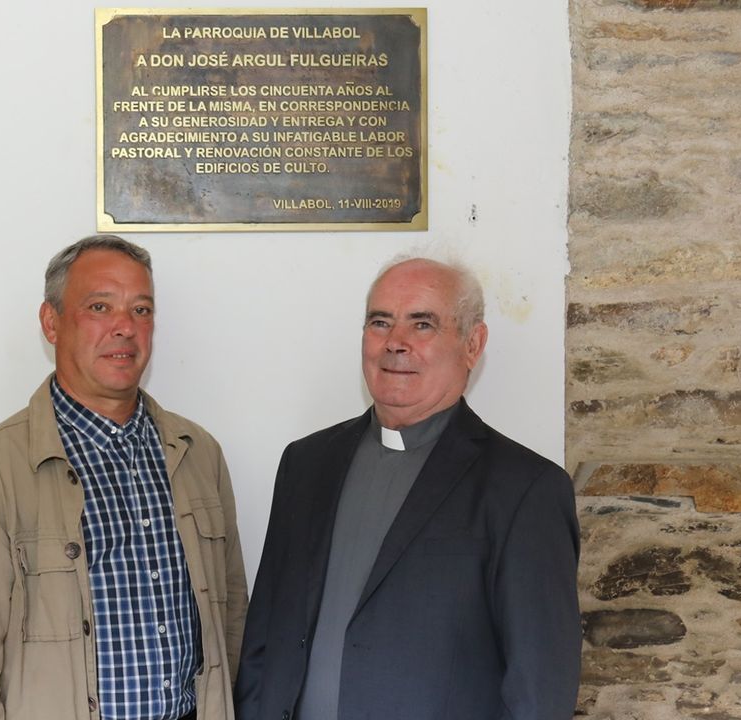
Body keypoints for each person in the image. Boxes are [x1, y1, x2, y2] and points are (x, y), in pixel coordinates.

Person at [234, 254, 581, 720]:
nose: (395, 343)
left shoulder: (526, 490)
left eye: (422, 325)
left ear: (472, 344)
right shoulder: (306, 463)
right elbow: (264, 637)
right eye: (381, 322)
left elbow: (539, 691)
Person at [0, 235, 247, 720]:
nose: (125, 328)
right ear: (52, 323)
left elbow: (230, 615)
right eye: (100, 306)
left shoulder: (199, 455)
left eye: (142, 310)